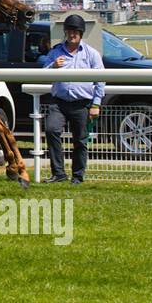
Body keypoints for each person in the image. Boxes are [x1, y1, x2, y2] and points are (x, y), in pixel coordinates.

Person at [42, 14, 104, 184]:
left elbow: (101, 80)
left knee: (80, 141)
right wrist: (53, 66)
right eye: (69, 31)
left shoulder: (92, 54)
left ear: (81, 33)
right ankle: (59, 173)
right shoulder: (55, 52)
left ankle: (77, 176)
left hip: (82, 103)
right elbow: (42, 73)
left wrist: (96, 104)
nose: (72, 34)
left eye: (75, 31)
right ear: (65, 32)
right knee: (51, 130)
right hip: (59, 103)